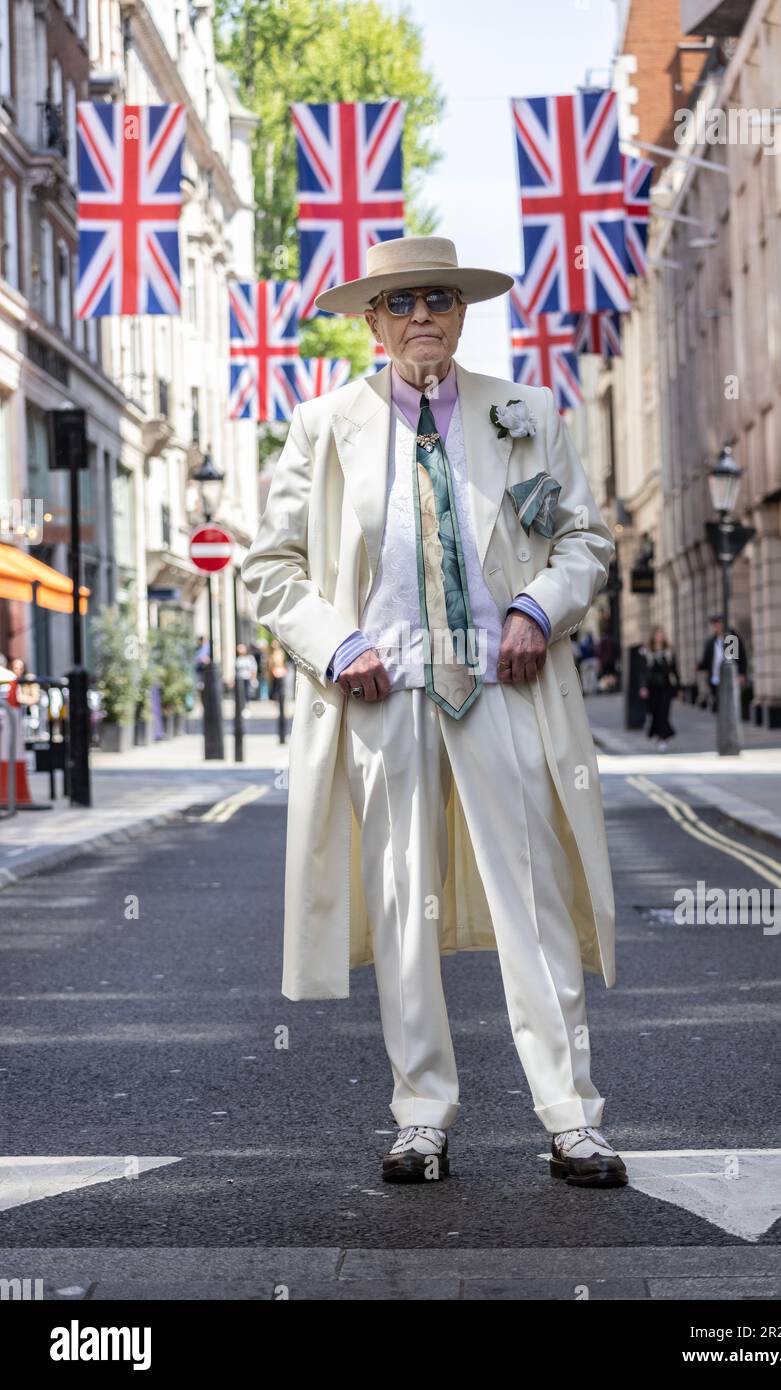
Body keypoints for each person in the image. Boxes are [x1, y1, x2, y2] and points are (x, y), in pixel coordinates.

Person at [241, 235, 626, 1189]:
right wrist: (339, 645)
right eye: (404, 302)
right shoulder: (323, 425)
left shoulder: (524, 411)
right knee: (401, 909)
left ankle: (571, 1118)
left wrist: (540, 607)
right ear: (372, 320)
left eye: (441, 301)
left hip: (505, 688)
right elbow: (270, 567)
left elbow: (584, 535)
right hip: (385, 695)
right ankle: (421, 1119)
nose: (424, 318)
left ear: (462, 315)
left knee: (533, 902)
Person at [638, 627, 680, 751]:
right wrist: (643, 687)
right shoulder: (646, 652)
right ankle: (660, 735)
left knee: (664, 712)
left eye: (661, 635)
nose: (659, 637)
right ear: (653, 636)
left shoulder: (668, 652)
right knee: (655, 713)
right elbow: (642, 672)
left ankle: (663, 738)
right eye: (657, 635)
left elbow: (675, 671)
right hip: (652, 689)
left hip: (666, 687)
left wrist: (679, 688)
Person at [697, 613, 748, 712]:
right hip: (715, 678)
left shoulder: (731, 638)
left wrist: (742, 673)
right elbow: (707, 661)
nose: (716, 627)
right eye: (715, 624)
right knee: (720, 706)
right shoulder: (712, 642)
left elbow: (740, 658)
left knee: (730, 704)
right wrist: (699, 666)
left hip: (730, 678)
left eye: (719, 624)